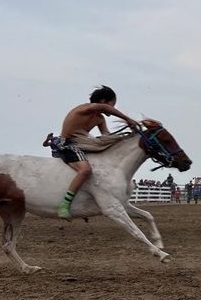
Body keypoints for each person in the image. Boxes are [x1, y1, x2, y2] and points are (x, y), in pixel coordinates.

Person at [48, 85, 140, 220]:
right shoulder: (85, 108)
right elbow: (105, 108)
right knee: (85, 170)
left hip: (80, 146)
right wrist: (128, 119)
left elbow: (106, 136)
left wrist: (126, 137)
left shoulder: (100, 119)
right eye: (113, 103)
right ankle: (65, 204)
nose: (113, 107)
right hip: (67, 144)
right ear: (103, 101)